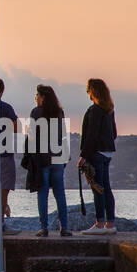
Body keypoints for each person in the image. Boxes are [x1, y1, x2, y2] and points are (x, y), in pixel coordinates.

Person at [24, 83, 72, 237]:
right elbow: (63, 134)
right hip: (58, 158)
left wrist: (28, 156)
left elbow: (31, 136)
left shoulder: (36, 112)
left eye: (37, 95)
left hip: (42, 159)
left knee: (42, 193)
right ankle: (64, 227)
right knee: (60, 194)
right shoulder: (59, 112)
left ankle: (43, 227)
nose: (35, 97)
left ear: (43, 97)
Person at [79, 78, 117, 235]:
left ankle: (100, 223)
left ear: (92, 91)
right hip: (107, 153)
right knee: (106, 188)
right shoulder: (109, 110)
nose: (87, 93)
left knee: (97, 188)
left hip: (96, 154)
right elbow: (113, 134)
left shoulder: (94, 110)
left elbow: (91, 136)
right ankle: (110, 224)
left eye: (88, 90)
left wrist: (83, 156)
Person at [0, 78, 20, 224]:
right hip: (4, 153)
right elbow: (16, 128)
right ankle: (1, 220)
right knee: (4, 187)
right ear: (2, 91)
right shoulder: (6, 108)